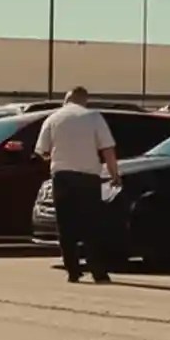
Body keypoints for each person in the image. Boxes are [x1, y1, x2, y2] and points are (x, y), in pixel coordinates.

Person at [36, 86, 122, 283]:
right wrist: (114, 174)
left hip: (62, 176)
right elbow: (107, 148)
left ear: (67, 100)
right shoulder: (93, 117)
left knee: (66, 226)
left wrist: (54, 160)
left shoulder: (53, 119)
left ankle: (72, 270)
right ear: (85, 100)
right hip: (87, 177)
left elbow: (41, 150)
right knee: (92, 225)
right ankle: (97, 270)